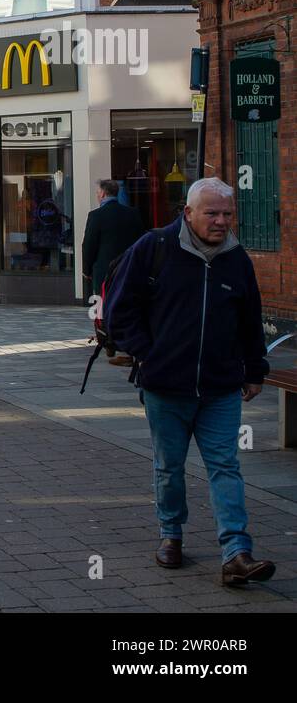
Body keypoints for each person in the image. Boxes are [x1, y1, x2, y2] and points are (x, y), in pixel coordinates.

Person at [105, 177, 275, 588]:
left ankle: (236, 552)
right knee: (169, 467)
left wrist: (254, 370)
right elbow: (119, 308)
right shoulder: (155, 247)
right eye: (211, 213)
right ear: (188, 213)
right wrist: (147, 352)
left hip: (220, 387)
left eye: (227, 214)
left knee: (225, 466)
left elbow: (250, 319)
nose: (221, 221)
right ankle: (171, 534)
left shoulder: (236, 259)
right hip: (165, 385)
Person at [81, 179, 146, 366]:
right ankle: (124, 345)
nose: (97, 195)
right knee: (127, 306)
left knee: (100, 306)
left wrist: (86, 270)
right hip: (129, 269)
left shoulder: (96, 216)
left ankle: (106, 340)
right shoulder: (132, 214)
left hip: (104, 271)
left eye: (97, 193)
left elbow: (88, 245)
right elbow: (142, 241)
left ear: (102, 194)